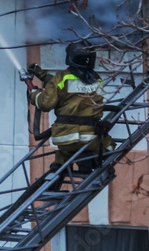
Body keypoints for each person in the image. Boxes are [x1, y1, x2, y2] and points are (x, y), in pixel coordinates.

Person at [27, 41, 113, 176]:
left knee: (63, 154)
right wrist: (41, 74)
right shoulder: (97, 80)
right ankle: (91, 163)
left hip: (64, 137)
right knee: (109, 146)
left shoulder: (61, 78)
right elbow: (72, 85)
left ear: (70, 57)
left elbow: (46, 103)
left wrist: (34, 94)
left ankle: (56, 174)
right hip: (91, 138)